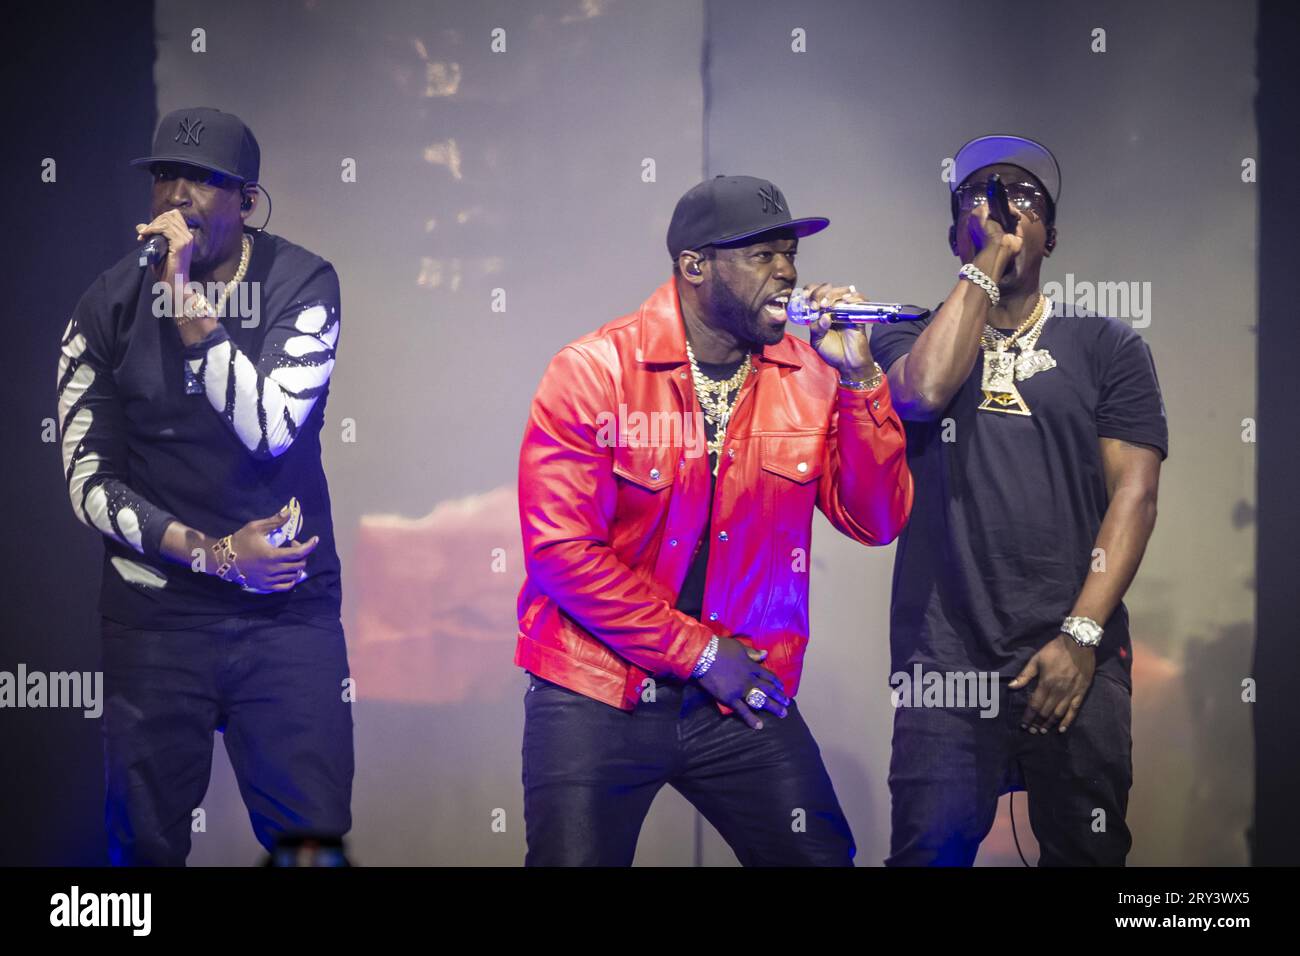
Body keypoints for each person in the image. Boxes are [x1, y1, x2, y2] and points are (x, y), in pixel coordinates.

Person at [514, 174, 914, 866]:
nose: (787, 272)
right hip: (597, 687)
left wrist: (859, 381)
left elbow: (875, 521)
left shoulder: (812, 376)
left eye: (790, 253)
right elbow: (561, 553)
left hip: (738, 692)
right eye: (762, 255)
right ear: (694, 266)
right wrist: (697, 653)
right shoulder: (594, 373)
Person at [56, 107, 352, 865]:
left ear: (247, 200)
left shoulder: (303, 284)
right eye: (164, 177)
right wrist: (214, 554)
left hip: (285, 616)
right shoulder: (105, 306)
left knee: (308, 840)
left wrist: (185, 300)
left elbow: (270, 427)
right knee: (141, 849)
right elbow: (89, 482)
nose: (176, 196)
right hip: (156, 617)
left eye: (202, 181)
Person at [869, 135, 1167, 865]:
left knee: (1088, 856)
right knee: (926, 855)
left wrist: (1081, 638)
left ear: (1053, 237)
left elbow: (1135, 495)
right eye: (982, 197)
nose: (1005, 209)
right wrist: (984, 266)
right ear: (954, 235)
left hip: (1074, 655)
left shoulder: (1107, 345)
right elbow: (925, 393)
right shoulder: (904, 334)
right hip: (945, 661)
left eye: (1025, 199)